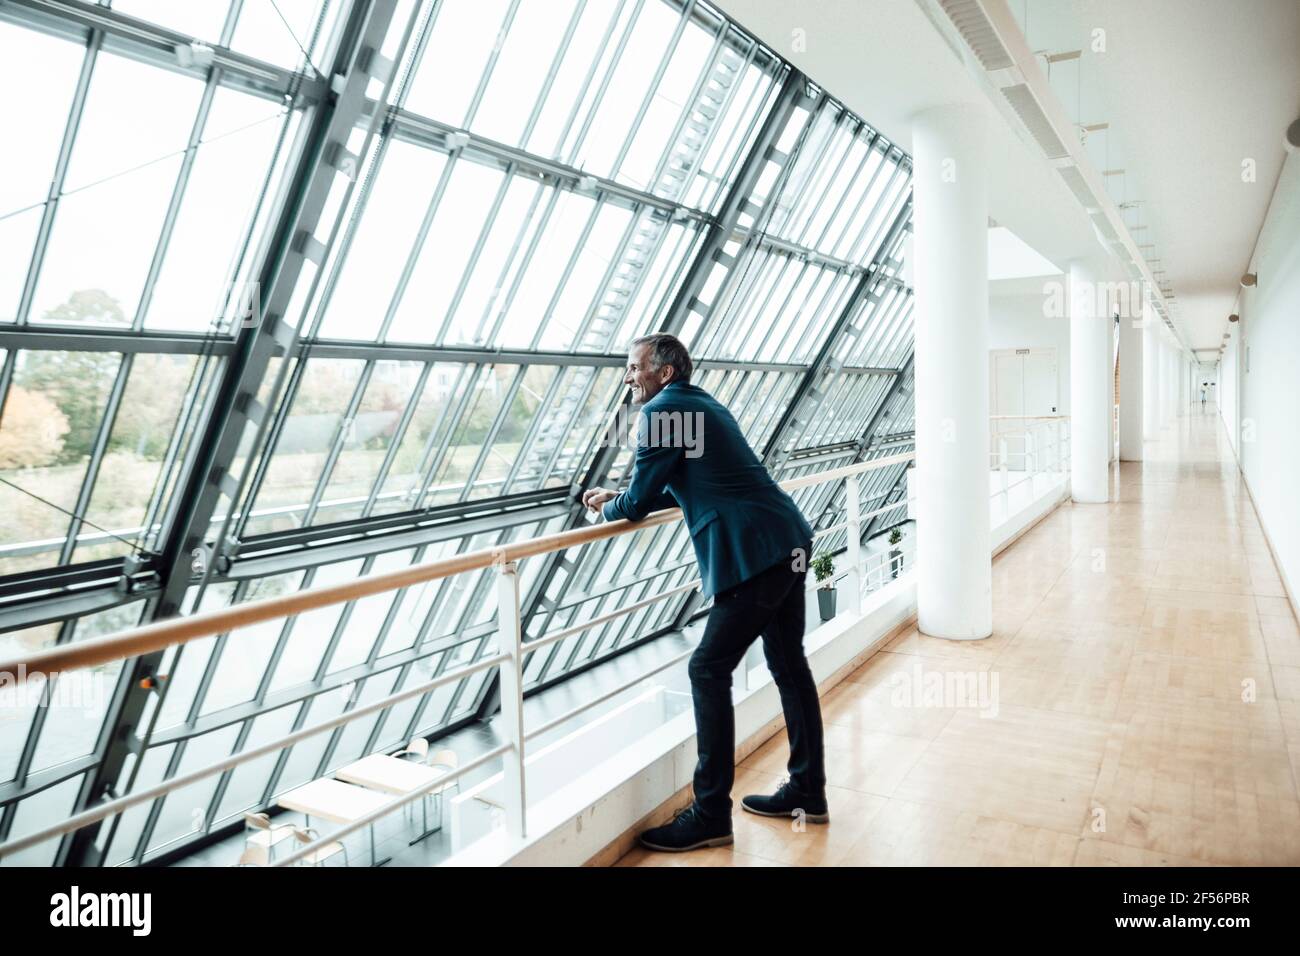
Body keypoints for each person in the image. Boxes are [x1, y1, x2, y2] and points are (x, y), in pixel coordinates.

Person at [582, 333, 828, 852]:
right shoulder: (699, 403)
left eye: (634, 367)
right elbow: (686, 473)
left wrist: (605, 506)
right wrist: (623, 494)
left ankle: (711, 813)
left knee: (706, 668)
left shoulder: (661, 412)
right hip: (785, 540)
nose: (628, 376)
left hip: (755, 554)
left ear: (663, 373)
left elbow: (641, 499)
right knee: (788, 665)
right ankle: (808, 791)